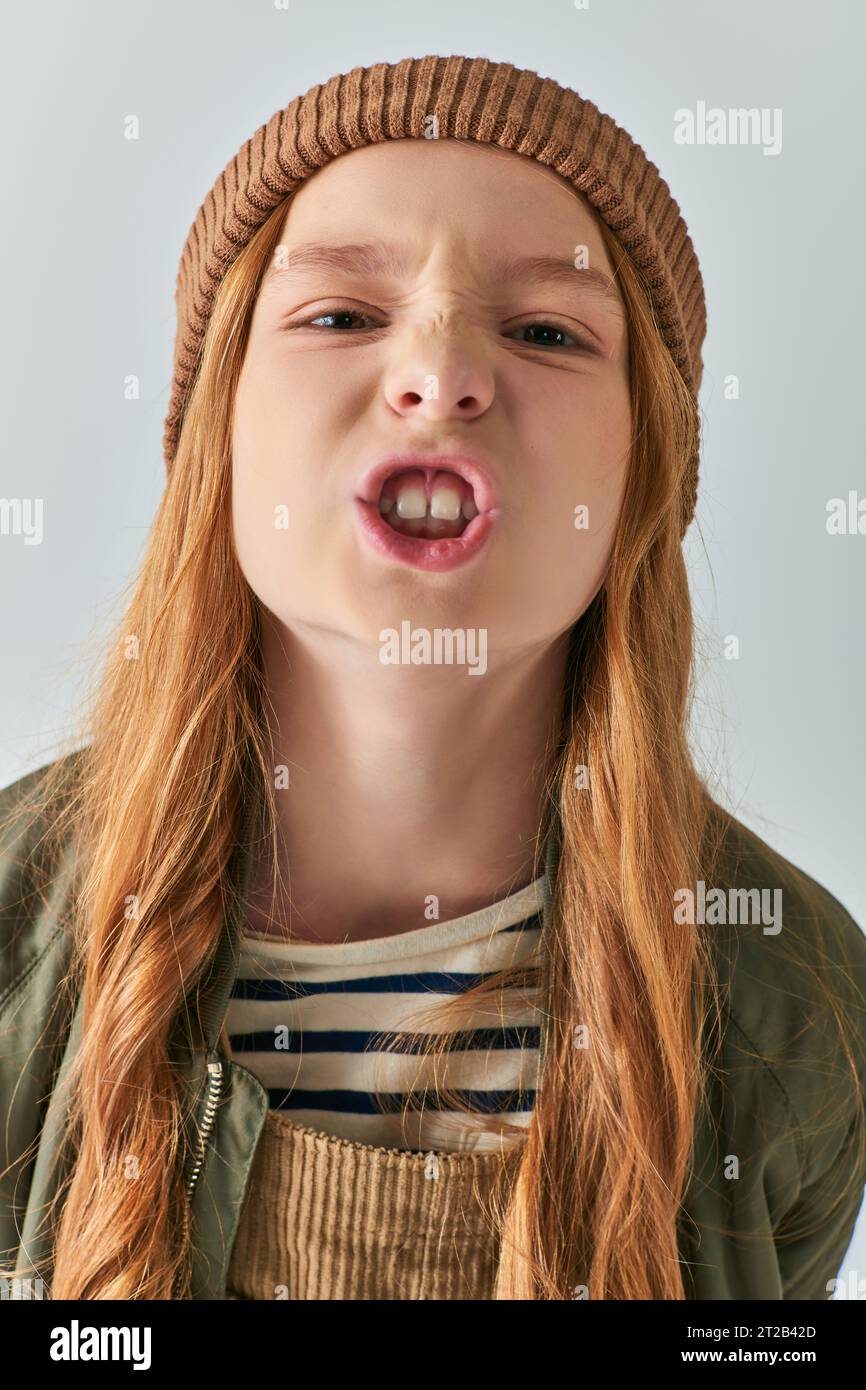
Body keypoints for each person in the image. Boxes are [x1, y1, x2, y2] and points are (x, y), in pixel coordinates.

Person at [1, 54, 864, 1301]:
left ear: (641, 472)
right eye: (340, 315)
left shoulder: (794, 1006)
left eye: (546, 331)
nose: (441, 373)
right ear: (216, 440)